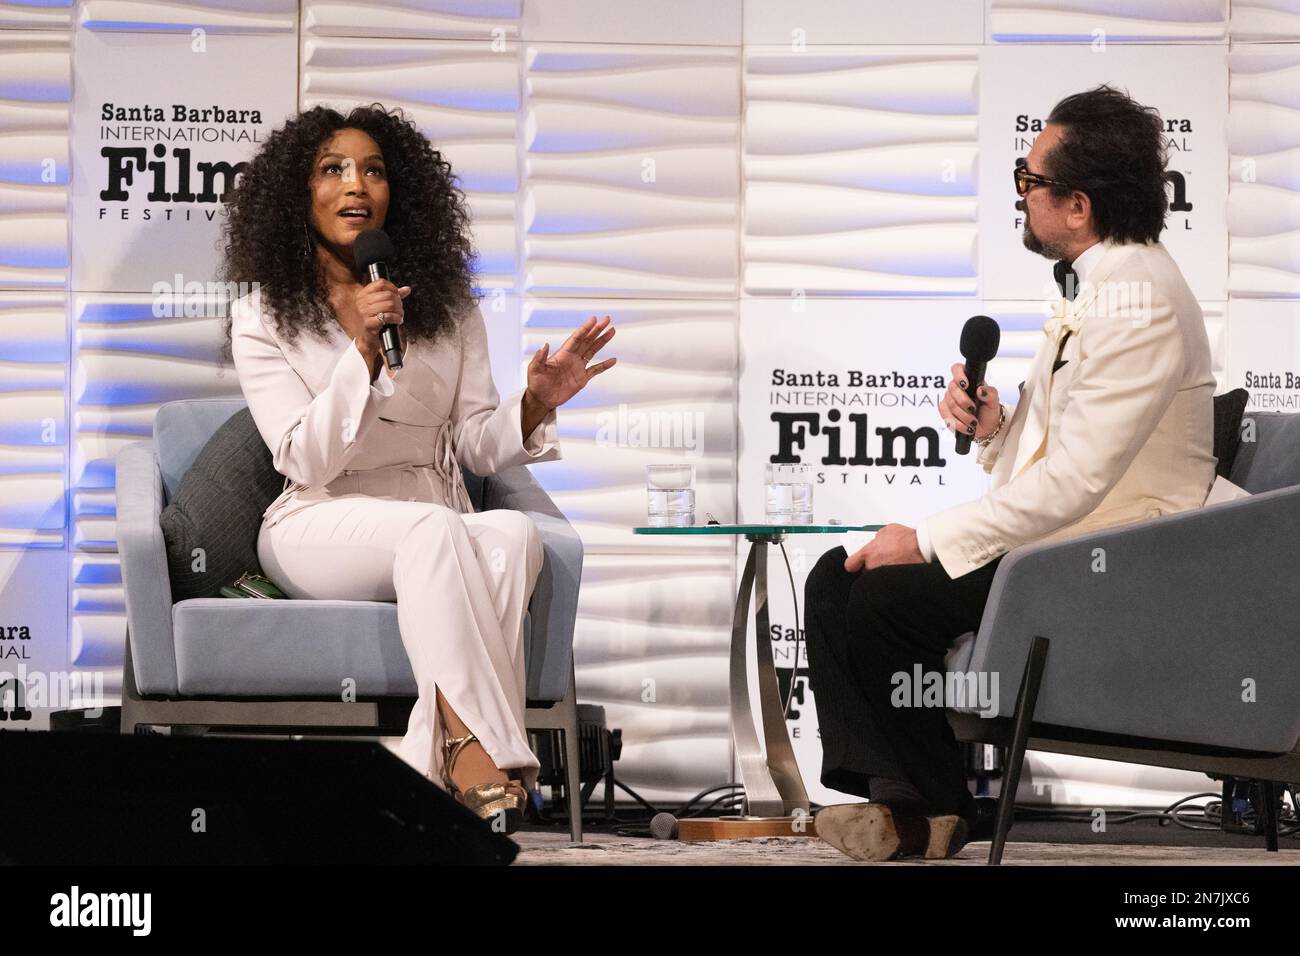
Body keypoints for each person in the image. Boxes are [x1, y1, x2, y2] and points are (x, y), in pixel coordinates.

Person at [806, 85, 1218, 861]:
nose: (1022, 199)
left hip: (1116, 558)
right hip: (1071, 537)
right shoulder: (1104, 283)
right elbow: (1063, 452)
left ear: (1077, 205)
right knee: (835, 579)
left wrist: (927, 537)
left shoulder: (1139, 301)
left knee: (886, 597)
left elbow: (1077, 484)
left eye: (1029, 184)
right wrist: (995, 428)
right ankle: (910, 806)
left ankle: (925, 811)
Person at [219, 103, 616, 832]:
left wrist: (532, 403)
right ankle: (483, 761)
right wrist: (364, 357)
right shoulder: (264, 317)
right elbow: (302, 456)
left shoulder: (448, 306)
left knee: (511, 537)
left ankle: (433, 768)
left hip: (434, 512)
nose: (356, 184)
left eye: (373, 169)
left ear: (397, 193)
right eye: (332, 169)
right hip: (318, 515)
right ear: (297, 194)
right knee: (438, 531)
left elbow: (472, 443)